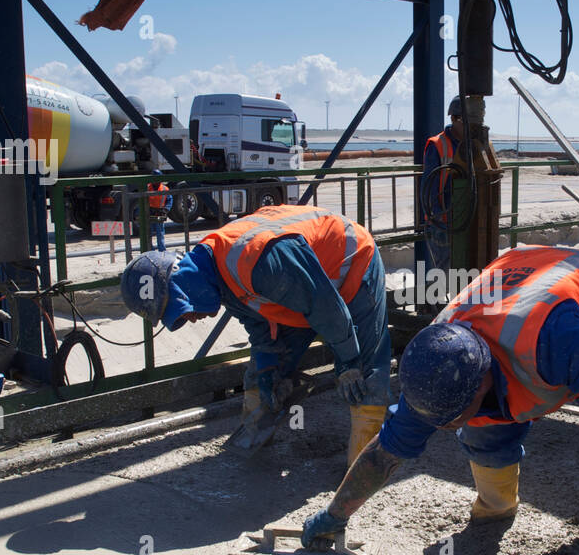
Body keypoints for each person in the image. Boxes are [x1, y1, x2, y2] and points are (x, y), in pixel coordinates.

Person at [299, 245, 579, 549]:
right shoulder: (437, 368)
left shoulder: (556, 342)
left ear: (484, 381)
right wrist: (335, 513)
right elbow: (386, 454)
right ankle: (497, 506)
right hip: (518, 270)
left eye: (453, 415)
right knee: (483, 431)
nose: (446, 425)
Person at [119, 204, 391, 463]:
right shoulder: (216, 272)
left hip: (352, 263)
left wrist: (347, 364)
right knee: (268, 372)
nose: (190, 319)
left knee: (364, 377)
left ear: (182, 285)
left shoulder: (257, 260)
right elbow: (260, 327)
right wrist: (267, 370)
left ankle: (364, 474)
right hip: (306, 289)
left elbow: (327, 310)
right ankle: (253, 444)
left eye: (181, 310)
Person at [422, 96, 481, 288]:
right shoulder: (438, 144)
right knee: (442, 272)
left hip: (464, 218)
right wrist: (439, 219)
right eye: (467, 123)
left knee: (463, 271)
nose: (471, 128)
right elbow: (429, 188)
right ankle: (432, 309)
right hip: (443, 222)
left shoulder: (471, 145)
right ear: (455, 119)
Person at [145, 180, 171, 252]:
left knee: (160, 234)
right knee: (148, 233)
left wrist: (165, 209)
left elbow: (169, 200)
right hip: (150, 213)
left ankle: (162, 251)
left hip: (159, 212)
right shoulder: (147, 188)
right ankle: (150, 250)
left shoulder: (164, 189)